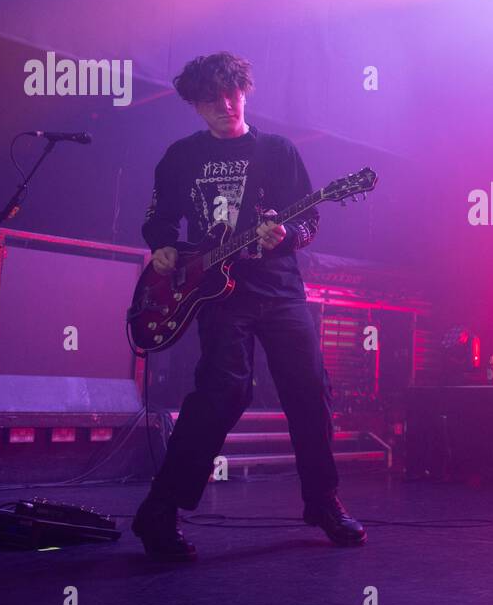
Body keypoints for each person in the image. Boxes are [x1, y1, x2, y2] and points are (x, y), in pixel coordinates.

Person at [132, 51, 365, 558]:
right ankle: (160, 508)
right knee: (222, 394)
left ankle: (322, 500)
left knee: (309, 391)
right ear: (195, 104)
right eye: (211, 97)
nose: (224, 104)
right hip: (217, 293)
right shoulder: (180, 157)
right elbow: (160, 217)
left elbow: (309, 222)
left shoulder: (277, 152)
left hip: (280, 290)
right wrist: (164, 244)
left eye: (232, 92)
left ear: (245, 91)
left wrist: (286, 235)